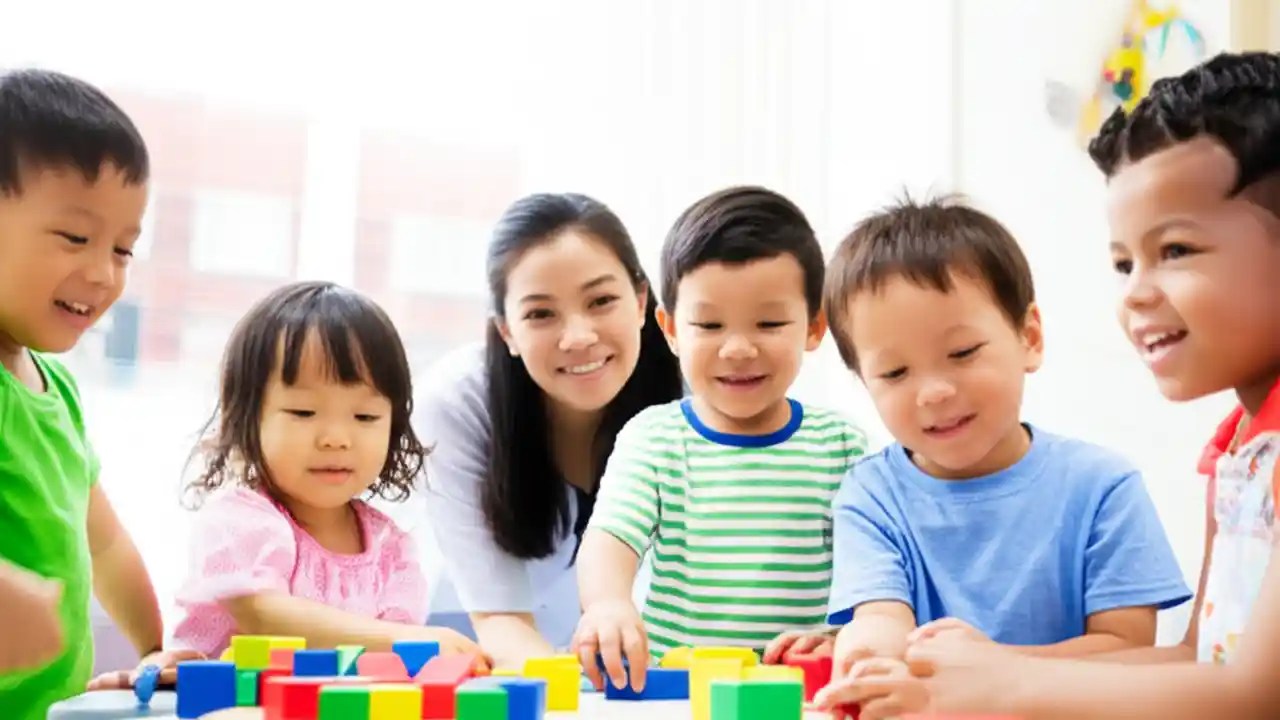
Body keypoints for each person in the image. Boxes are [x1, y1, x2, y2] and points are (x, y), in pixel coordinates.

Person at [815, 51, 1280, 719]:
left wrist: (1005, 680)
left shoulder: (1108, 482)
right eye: (1124, 263)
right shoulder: (1237, 448)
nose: (1137, 294)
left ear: (1027, 335)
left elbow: (1256, 694)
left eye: (1175, 250)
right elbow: (1198, 657)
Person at [784, 195, 1189, 719]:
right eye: (895, 373)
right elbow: (881, 620)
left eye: (962, 354)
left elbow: (1130, 650)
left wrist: (990, 671)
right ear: (865, 382)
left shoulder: (1103, 486)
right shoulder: (871, 494)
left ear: (1029, 337)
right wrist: (865, 660)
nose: (932, 391)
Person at [574, 185, 869, 692]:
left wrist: (846, 632)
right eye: (708, 324)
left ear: (815, 325)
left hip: (797, 692)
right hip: (680, 690)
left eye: (770, 322)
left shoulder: (840, 446)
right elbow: (611, 538)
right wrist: (608, 604)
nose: (737, 348)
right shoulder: (654, 438)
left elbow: (870, 571)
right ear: (669, 329)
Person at [414, 193, 684, 670]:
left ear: (640, 300)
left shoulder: (691, 399)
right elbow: (499, 617)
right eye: (541, 313)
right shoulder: (458, 401)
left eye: (601, 301)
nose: (578, 336)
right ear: (507, 332)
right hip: (481, 658)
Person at [170, 281, 485, 666]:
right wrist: (408, 640)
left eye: (365, 417)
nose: (336, 439)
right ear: (246, 418)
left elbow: (393, 663)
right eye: (303, 413)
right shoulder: (239, 518)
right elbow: (263, 616)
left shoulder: (391, 547)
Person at [0, 68, 176, 716]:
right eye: (75, 237)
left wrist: (157, 645)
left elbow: (103, 542)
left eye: (124, 250)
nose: (102, 274)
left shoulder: (58, 391)